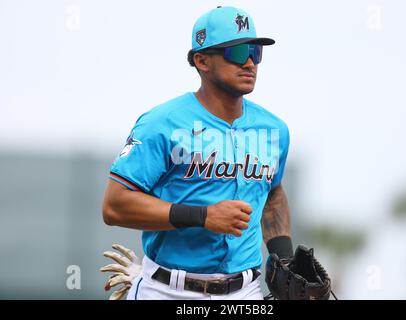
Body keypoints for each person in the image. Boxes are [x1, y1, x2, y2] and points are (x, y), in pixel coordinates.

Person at [101, 6, 293, 300]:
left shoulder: (274, 130)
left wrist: (285, 260)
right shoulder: (162, 123)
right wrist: (202, 216)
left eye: (256, 51)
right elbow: (115, 206)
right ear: (202, 60)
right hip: (168, 290)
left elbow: (273, 192)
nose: (250, 63)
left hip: (245, 292)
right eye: (238, 52)